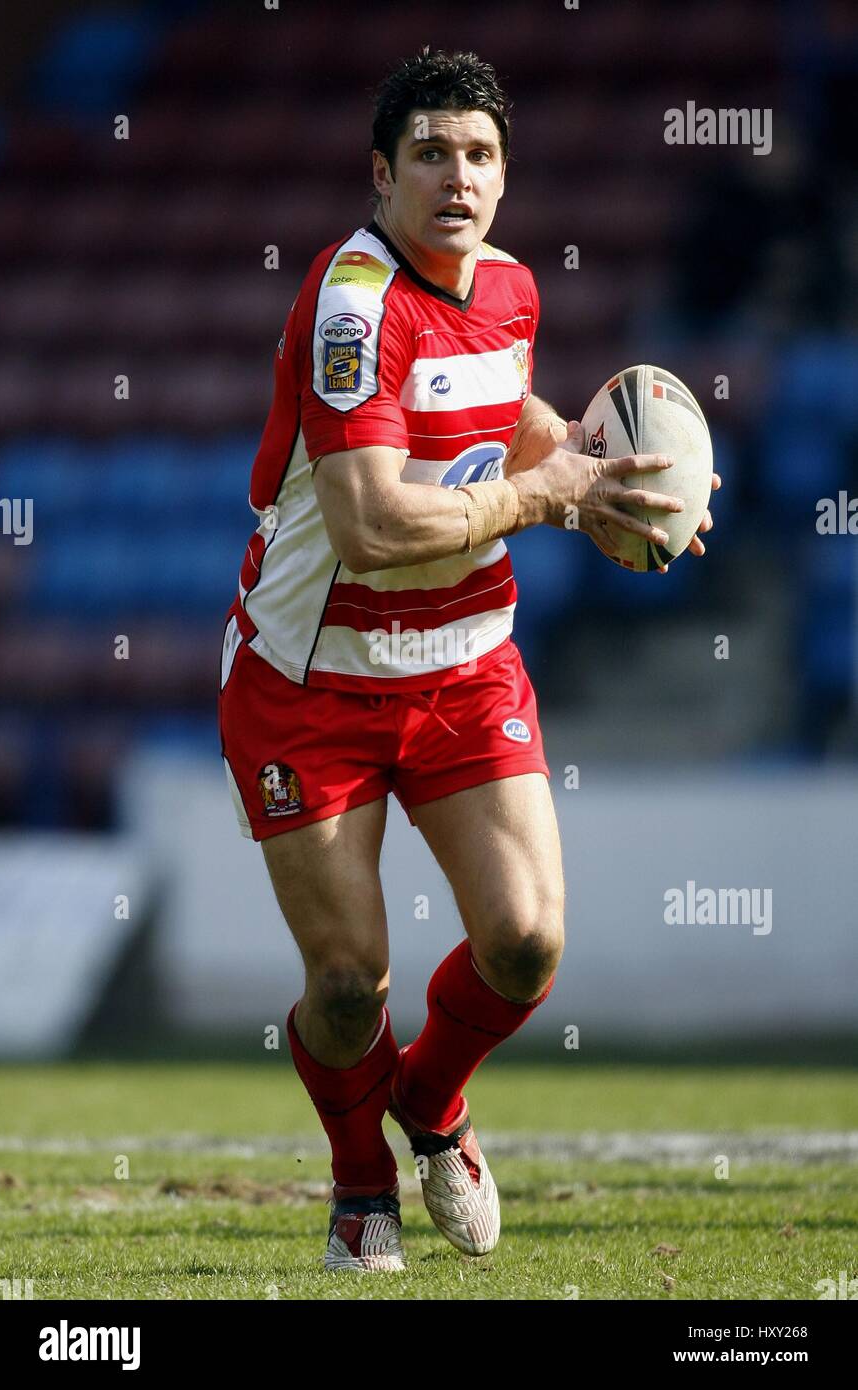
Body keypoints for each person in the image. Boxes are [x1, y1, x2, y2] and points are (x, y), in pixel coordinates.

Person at [218, 47, 718, 1273]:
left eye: (481, 155)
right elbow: (370, 523)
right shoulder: (351, 305)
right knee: (346, 986)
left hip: (461, 666)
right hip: (308, 683)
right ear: (380, 176)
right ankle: (358, 1182)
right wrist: (546, 498)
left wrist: (609, 484)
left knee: (527, 941)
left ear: (505, 178)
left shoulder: (505, 287)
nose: (458, 176)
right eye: (431, 154)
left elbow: (514, 416)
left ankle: (431, 1102)